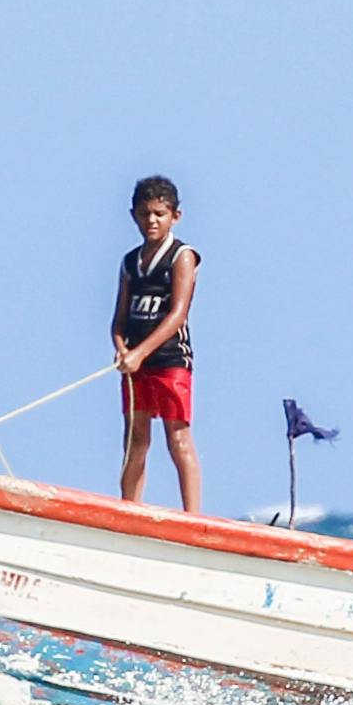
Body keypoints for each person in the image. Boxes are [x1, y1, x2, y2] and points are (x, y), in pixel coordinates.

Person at [108, 176, 204, 516]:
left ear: (175, 216)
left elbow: (177, 314)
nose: (152, 221)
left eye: (160, 214)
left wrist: (141, 352)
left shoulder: (182, 257)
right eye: (145, 213)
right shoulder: (130, 262)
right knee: (135, 440)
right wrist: (121, 348)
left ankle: (193, 516)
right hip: (135, 365)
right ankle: (129, 511)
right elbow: (118, 319)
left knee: (177, 438)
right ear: (133, 215)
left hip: (170, 361)